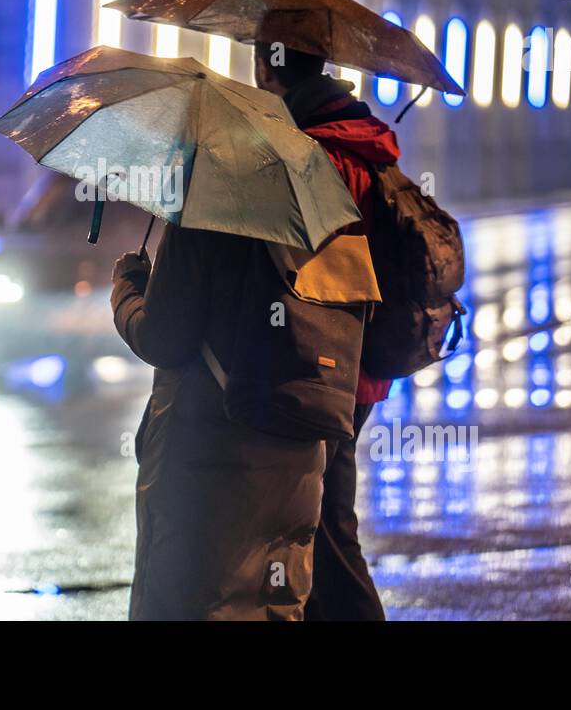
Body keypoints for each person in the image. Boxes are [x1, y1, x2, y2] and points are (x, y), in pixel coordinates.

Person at [111, 41, 398, 620]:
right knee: (276, 603)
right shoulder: (320, 195)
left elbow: (164, 337)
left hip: (210, 455)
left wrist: (127, 291)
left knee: (196, 601)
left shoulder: (203, 211)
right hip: (299, 450)